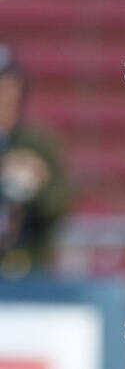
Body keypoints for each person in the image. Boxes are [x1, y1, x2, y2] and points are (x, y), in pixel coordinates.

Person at [0, 47, 69, 276]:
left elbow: (60, 204)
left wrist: (41, 181)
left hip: (28, 269)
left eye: (8, 86)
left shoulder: (37, 144)